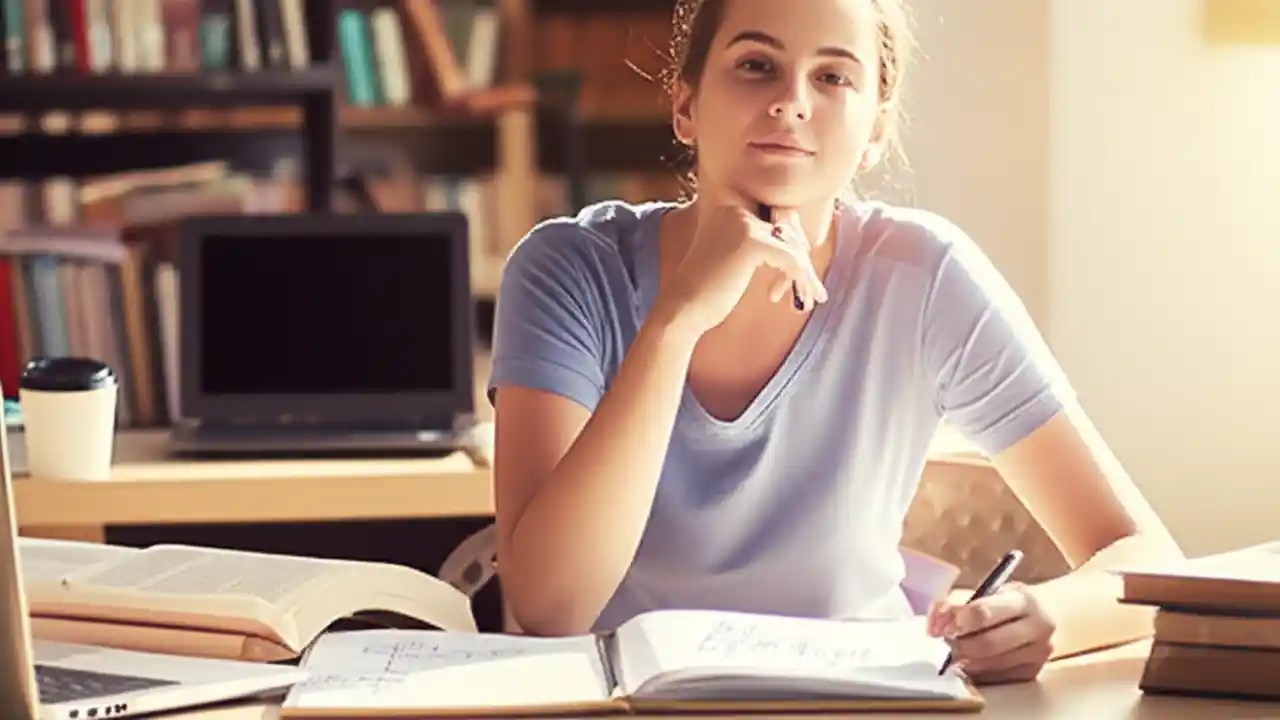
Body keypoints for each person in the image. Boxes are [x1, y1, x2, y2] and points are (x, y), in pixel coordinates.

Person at [487, 0, 1183, 684]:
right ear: (686, 105)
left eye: (832, 77)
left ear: (877, 125)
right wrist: (676, 322)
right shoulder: (569, 269)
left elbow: (1146, 555)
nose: (792, 102)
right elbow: (550, 607)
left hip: (864, 701)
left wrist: (1050, 615)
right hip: (631, 705)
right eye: (757, 65)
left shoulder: (924, 275)